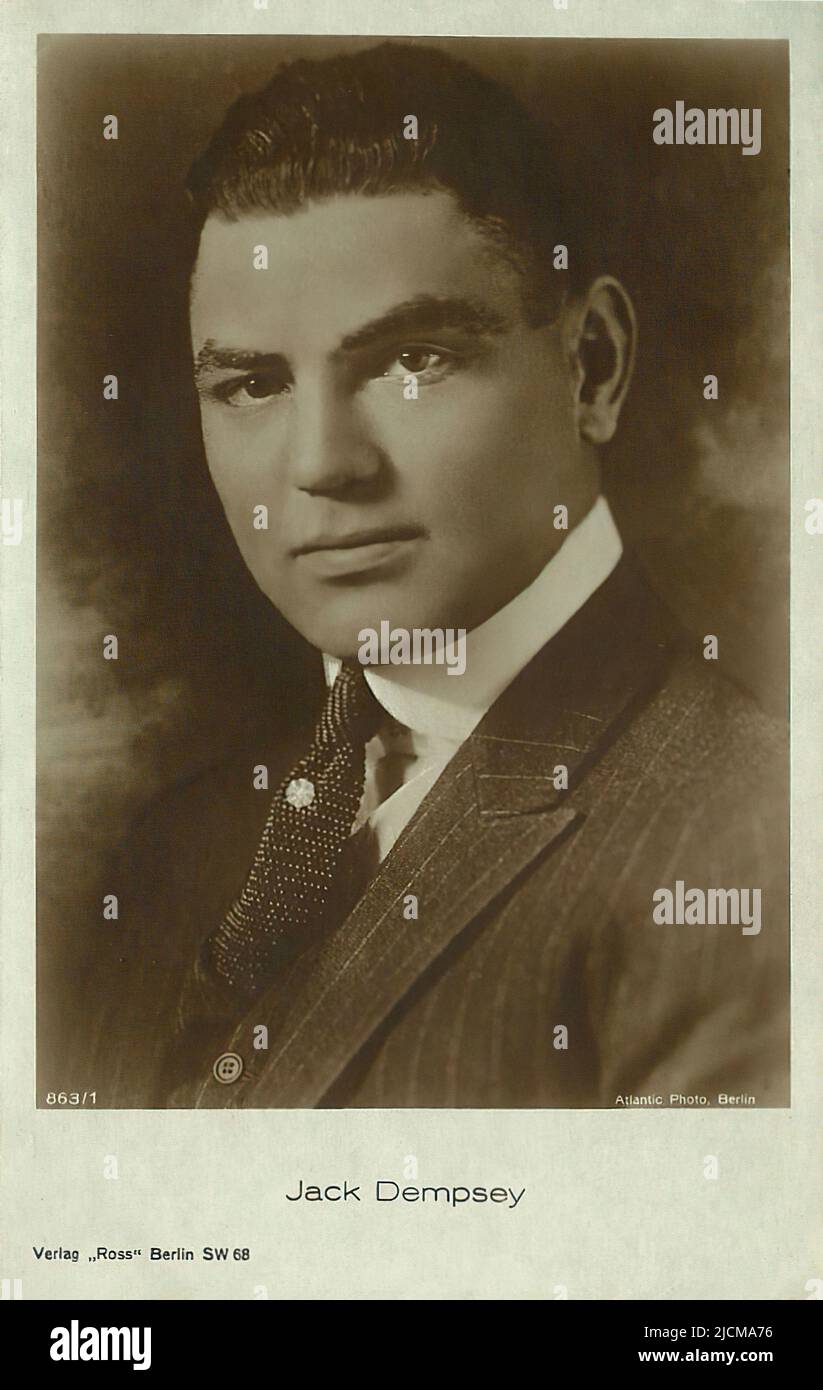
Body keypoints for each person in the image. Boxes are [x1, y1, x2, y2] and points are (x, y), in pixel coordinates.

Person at [70, 41, 788, 1109]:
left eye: (413, 361)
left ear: (590, 363)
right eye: (253, 383)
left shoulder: (759, 846)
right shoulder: (178, 846)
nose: (321, 463)